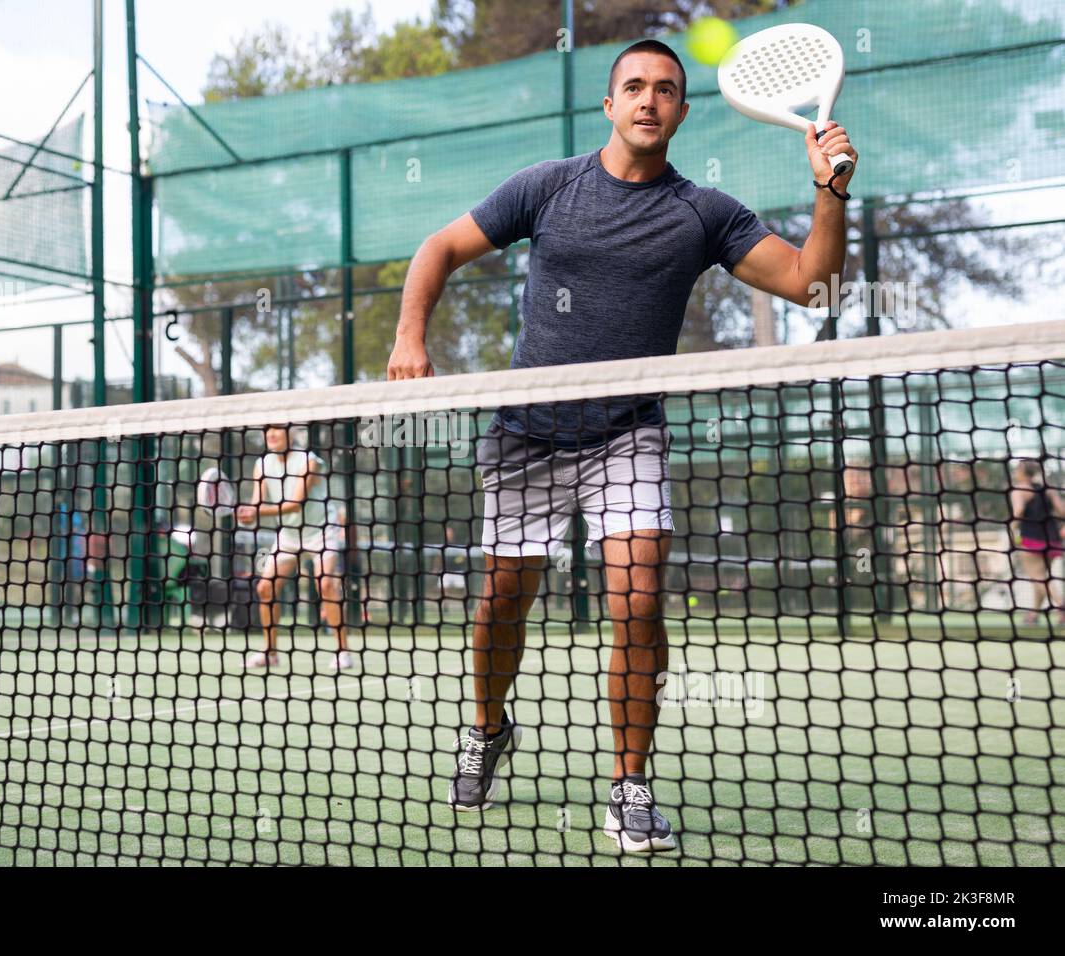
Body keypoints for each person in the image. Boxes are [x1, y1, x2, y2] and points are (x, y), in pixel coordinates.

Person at [387, 39, 856, 852]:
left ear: (680, 111)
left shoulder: (705, 213)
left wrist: (829, 191)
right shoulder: (546, 187)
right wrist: (409, 337)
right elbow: (439, 248)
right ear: (610, 106)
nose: (648, 99)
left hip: (626, 435)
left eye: (665, 90)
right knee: (502, 603)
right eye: (633, 87)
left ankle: (630, 783)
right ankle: (488, 728)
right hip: (525, 433)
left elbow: (814, 284)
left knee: (637, 603)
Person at [240, 425, 352, 671]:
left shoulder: (309, 461)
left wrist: (256, 511)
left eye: (278, 429)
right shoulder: (262, 464)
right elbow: (257, 502)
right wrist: (247, 514)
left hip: (321, 530)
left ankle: (343, 652)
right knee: (265, 588)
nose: (271, 434)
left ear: (291, 433)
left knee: (325, 584)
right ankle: (270, 653)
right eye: (267, 430)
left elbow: (295, 504)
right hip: (289, 535)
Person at [1009, 459, 1065, 625]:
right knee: (1040, 579)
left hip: (1031, 539)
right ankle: (1033, 615)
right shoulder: (1048, 490)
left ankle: (1062, 607)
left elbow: (1018, 511)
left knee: (1038, 578)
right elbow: (1062, 511)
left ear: (1021, 472)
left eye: (1016, 470)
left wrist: (1011, 527)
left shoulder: (1018, 490)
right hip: (1052, 539)